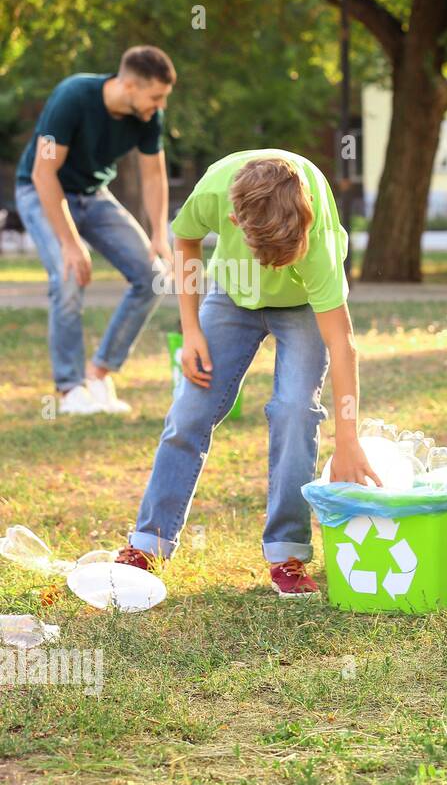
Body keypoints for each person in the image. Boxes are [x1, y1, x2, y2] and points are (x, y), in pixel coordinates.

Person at [115, 151, 379, 598]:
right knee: (190, 410)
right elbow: (185, 240)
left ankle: (287, 552)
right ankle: (149, 543)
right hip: (232, 296)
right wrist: (192, 328)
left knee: (295, 410)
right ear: (235, 221)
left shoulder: (319, 243)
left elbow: (342, 343)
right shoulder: (214, 191)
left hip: (301, 307)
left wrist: (348, 439)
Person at [14, 45, 176, 415]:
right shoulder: (72, 97)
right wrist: (70, 243)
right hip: (41, 190)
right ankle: (70, 388)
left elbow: (153, 175)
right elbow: (44, 172)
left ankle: (98, 375)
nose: (160, 106)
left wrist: (157, 234)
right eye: (156, 96)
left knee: (153, 276)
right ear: (129, 86)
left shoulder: (149, 117)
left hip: (92, 193)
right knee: (69, 276)